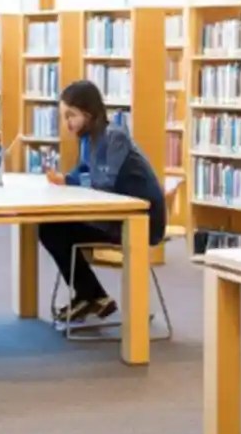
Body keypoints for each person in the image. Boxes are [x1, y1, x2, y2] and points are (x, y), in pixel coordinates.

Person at [42, 80, 166, 323]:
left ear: (88, 114)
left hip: (141, 221)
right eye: (64, 116)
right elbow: (85, 171)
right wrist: (65, 179)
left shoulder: (114, 137)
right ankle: (92, 296)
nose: (67, 123)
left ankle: (91, 295)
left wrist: (75, 182)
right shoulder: (88, 139)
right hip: (115, 216)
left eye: (71, 115)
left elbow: (104, 184)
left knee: (53, 230)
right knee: (50, 227)